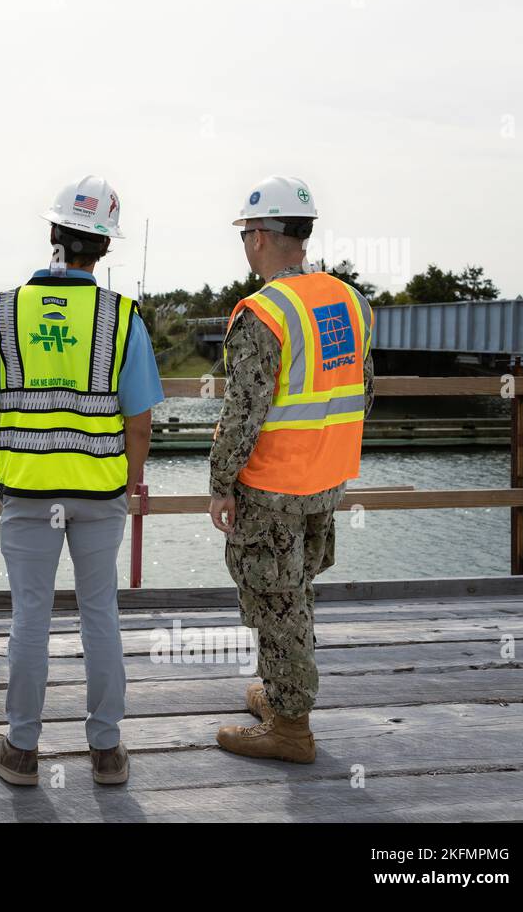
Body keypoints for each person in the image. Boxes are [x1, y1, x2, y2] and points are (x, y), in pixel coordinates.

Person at [0, 175, 163, 787]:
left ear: (53, 234)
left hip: (28, 491)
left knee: (30, 615)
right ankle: (106, 751)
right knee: (99, 613)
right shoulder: (120, 317)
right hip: (100, 494)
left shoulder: (0, 312)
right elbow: (139, 418)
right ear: (103, 249)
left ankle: (21, 750)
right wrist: (134, 482)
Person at [208, 175, 374, 763]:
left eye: (245, 233)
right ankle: (283, 696)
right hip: (326, 479)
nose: (244, 245)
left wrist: (220, 484)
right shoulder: (350, 300)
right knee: (295, 591)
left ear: (260, 236)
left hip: (274, 483)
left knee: (275, 600)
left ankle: (292, 729)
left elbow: (242, 411)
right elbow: (365, 390)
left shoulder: (264, 312)